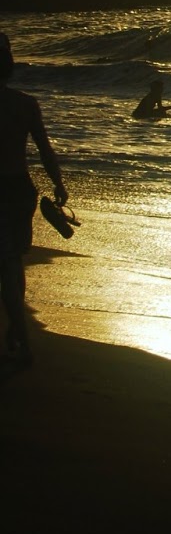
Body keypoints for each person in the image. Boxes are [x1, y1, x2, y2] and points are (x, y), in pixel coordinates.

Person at [0, 33, 69, 364]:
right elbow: (45, 149)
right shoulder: (25, 104)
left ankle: (20, 331)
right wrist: (58, 183)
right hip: (20, 189)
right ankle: (16, 326)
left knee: (7, 262)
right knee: (13, 262)